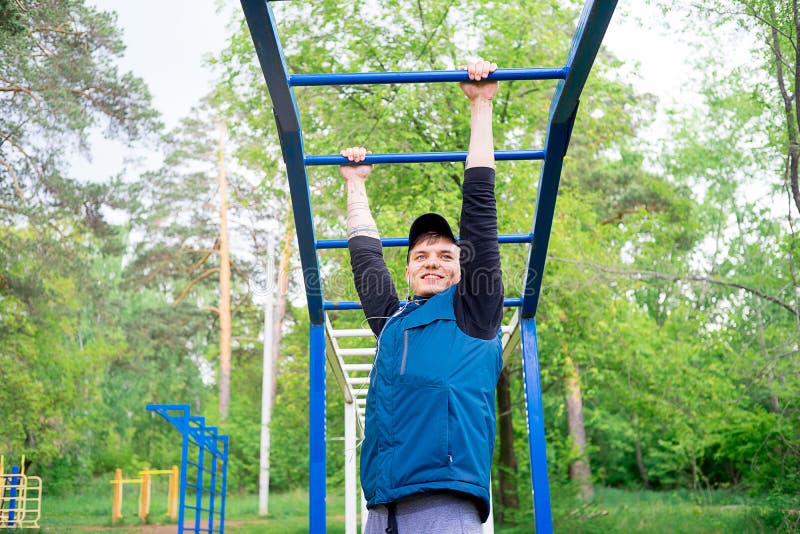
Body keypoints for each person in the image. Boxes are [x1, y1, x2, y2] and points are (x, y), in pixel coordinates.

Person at [340, 60, 503, 534]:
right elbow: (367, 261)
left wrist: (480, 107)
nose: (431, 261)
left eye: (445, 255)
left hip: (444, 503)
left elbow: (479, 212)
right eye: (421, 255)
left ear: (462, 268)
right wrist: (355, 186)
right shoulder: (394, 323)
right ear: (409, 270)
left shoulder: (475, 310)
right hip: (382, 507)